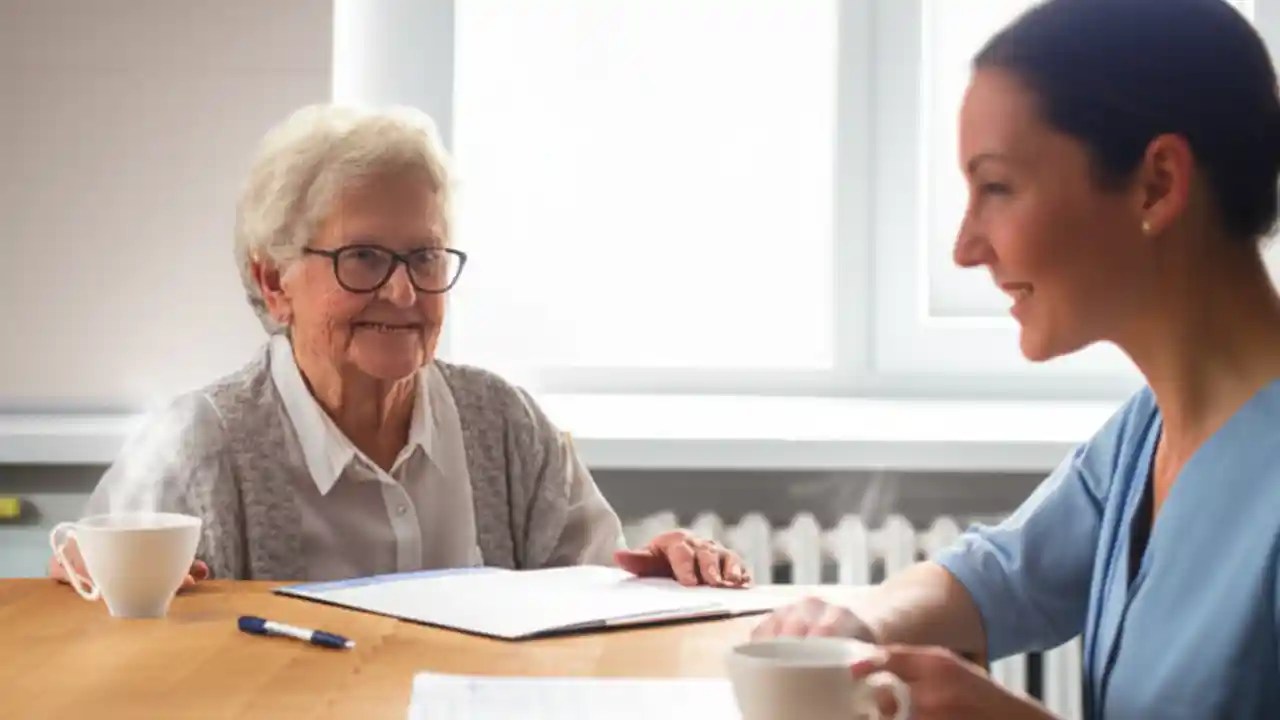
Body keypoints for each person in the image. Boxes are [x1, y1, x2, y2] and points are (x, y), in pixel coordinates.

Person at [755, 0, 1280, 717]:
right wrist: (857, 628)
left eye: (996, 187)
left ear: (1157, 183)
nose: (966, 248)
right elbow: (999, 573)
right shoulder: (1146, 437)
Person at [50, 104, 746, 588]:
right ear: (274, 281)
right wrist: (87, 571)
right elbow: (99, 607)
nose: (405, 294)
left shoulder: (508, 425)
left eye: (425, 256)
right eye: (362, 259)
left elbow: (593, 598)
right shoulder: (195, 444)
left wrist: (664, 571)